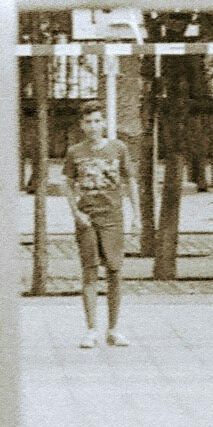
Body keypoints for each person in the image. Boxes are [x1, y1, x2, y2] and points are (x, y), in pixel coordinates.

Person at [65, 107, 138, 349]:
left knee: (115, 271)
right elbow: (68, 183)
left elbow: (130, 181)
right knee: (89, 271)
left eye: (97, 121)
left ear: (104, 123)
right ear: (81, 124)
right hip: (87, 218)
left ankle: (113, 329)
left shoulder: (118, 148)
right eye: (88, 121)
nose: (93, 126)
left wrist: (136, 215)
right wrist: (76, 213)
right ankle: (91, 329)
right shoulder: (75, 152)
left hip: (113, 217)